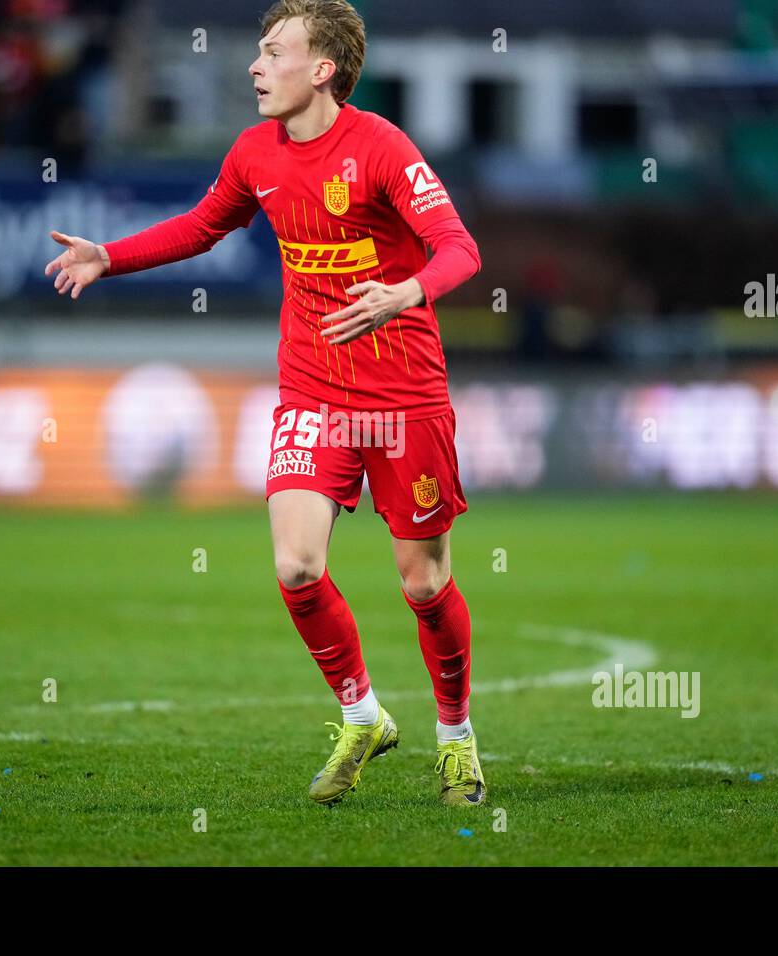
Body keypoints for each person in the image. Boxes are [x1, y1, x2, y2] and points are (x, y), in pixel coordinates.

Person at [44, 0, 484, 806]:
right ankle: (363, 716)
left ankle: (456, 738)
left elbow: (461, 248)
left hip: (402, 394)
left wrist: (403, 294)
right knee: (296, 564)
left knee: (422, 584)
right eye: (257, 49)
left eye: (273, 51)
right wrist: (111, 254)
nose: (254, 65)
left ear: (322, 69)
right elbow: (201, 227)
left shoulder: (381, 147)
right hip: (313, 389)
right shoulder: (255, 151)